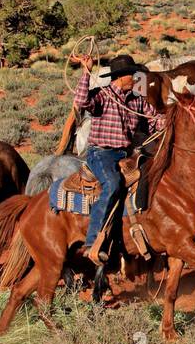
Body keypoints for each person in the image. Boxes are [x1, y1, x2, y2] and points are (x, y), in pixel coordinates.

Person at [68, 52, 166, 263]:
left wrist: (173, 119)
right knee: (112, 184)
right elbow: (80, 101)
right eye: (132, 74)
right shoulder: (103, 95)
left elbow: (154, 120)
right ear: (121, 77)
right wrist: (86, 72)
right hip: (102, 153)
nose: (135, 78)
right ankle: (91, 241)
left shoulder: (137, 101)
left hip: (127, 154)